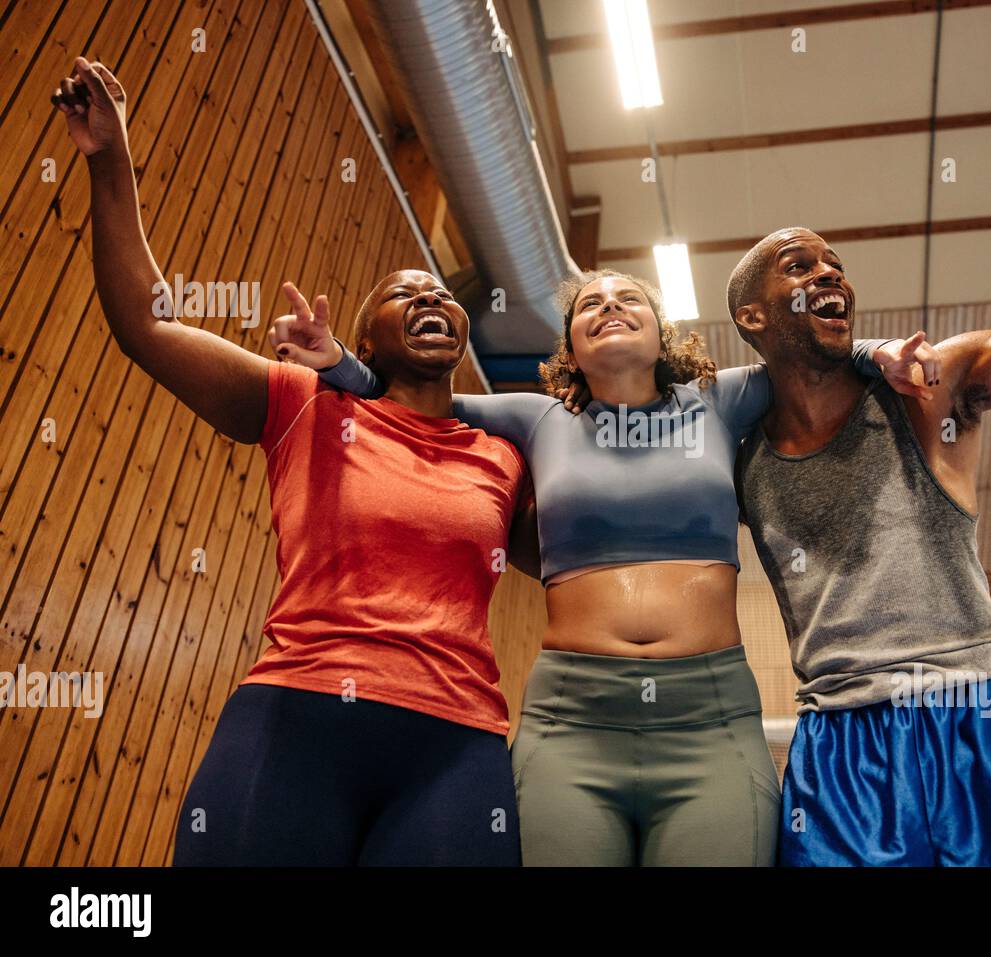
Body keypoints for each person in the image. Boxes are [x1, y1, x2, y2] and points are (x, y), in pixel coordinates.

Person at [275, 266, 936, 865]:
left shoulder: (718, 402)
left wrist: (875, 353)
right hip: (572, 722)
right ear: (571, 347)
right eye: (590, 303)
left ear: (662, 334)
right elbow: (415, 399)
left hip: (708, 722)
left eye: (629, 299)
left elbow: (810, 363)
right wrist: (336, 361)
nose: (610, 306)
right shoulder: (537, 421)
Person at [55, 58, 531, 865]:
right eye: (403, 291)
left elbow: (585, 561)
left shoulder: (504, 453)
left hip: (455, 748)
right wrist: (110, 158)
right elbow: (150, 324)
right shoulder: (306, 405)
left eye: (444, 296)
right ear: (365, 335)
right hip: (295, 719)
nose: (431, 300)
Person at [729, 34, 991, 866]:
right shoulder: (737, 449)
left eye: (837, 264)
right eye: (798, 264)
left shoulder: (932, 387)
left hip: (985, 717)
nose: (830, 274)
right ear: (751, 316)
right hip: (841, 751)